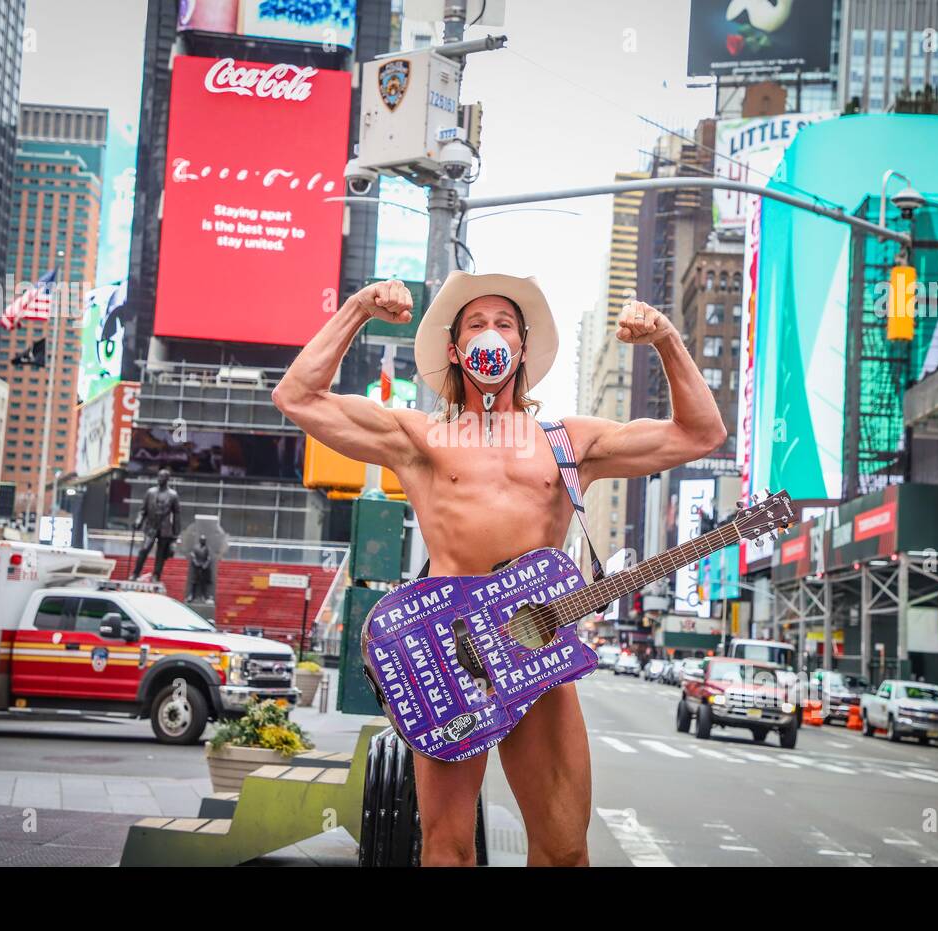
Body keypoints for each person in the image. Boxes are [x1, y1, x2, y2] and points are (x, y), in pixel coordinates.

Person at [273, 273, 726, 866]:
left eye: (504, 325)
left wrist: (666, 336)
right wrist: (359, 307)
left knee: (565, 852)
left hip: (539, 657)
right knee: (447, 849)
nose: (491, 334)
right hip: (446, 659)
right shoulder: (421, 437)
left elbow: (701, 433)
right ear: (456, 350)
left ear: (522, 348)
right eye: (477, 325)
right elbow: (297, 397)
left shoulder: (568, 443)